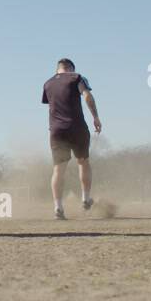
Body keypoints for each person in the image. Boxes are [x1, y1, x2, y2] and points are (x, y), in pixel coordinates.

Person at [41, 58, 101, 220]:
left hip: (56, 130)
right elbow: (87, 95)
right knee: (83, 162)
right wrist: (95, 117)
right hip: (77, 127)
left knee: (58, 170)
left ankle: (58, 208)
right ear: (71, 68)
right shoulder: (77, 77)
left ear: (58, 69)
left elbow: (53, 105)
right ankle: (86, 199)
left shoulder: (47, 84)